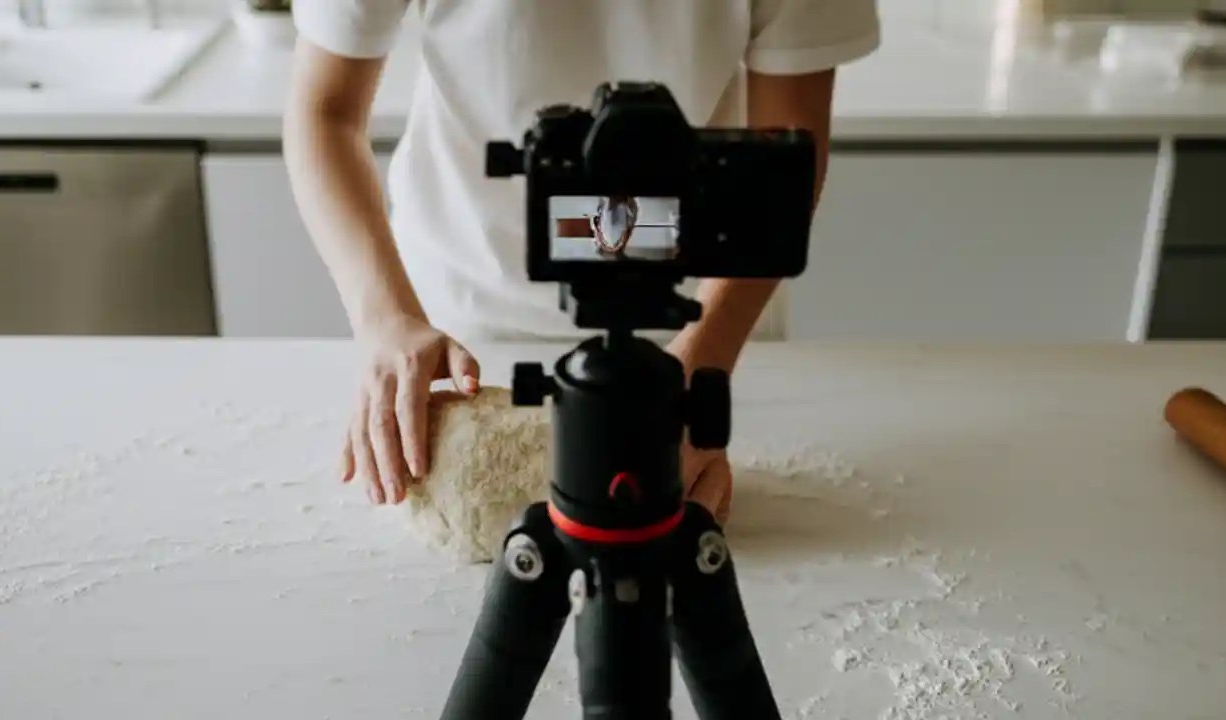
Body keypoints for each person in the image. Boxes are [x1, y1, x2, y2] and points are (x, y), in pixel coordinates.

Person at [284, 1, 881, 521]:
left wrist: (703, 368)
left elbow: (783, 156)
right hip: (458, 328)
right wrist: (385, 319)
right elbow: (325, 112)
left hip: (699, 316)